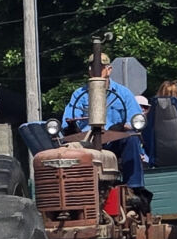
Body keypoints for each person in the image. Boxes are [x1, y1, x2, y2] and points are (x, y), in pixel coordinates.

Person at [61, 52, 145, 185]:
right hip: (87, 141)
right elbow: (69, 120)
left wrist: (121, 127)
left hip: (113, 140)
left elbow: (134, 119)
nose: (94, 70)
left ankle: (134, 187)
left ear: (109, 70)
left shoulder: (124, 93)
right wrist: (72, 126)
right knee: (64, 147)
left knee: (131, 139)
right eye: (91, 67)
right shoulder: (79, 94)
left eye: (99, 67)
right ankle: (74, 187)